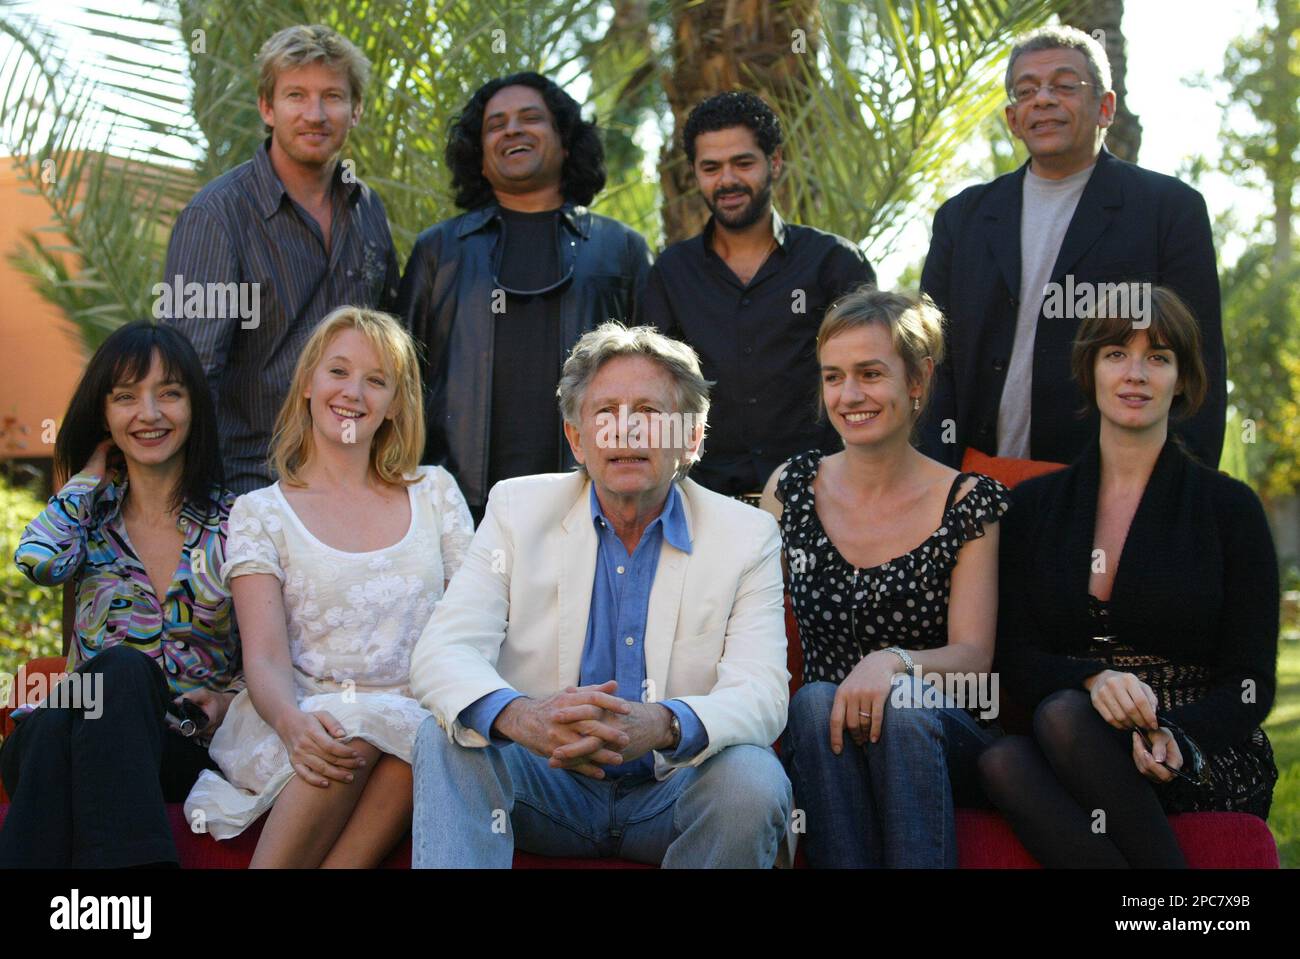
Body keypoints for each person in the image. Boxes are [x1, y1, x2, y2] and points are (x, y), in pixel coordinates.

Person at [408, 323, 792, 868]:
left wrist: (662, 723)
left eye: (649, 413)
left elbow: (763, 695)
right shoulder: (517, 509)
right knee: (447, 737)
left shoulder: (746, 535)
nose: (625, 431)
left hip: (672, 791)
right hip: (546, 785)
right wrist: (522, 717)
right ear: (577, 439)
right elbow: (442, 653)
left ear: (691, 438)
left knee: (751, 779)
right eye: (605, 412)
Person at [979, 286, 1278, 868]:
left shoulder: (1229, 508)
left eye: (1158, 357)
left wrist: (1176, 734)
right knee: (1003, 760)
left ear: (1183, 380)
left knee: (1060, 719)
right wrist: (1093, 679)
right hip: (1076, 740)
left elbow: (1251, 682)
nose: (1135, 373)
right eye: (1117, 354)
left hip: (1199, 744)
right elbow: (1013, 655)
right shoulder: (1036, 506)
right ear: (1089, 369)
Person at [184, 306, 474, 867]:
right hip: (299, 715)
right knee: (355, 730)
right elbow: (263, 657)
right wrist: (293, 726)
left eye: (376, 380)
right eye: (338, 371)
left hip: (419, 717)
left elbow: (472, 622)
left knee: (419, 741)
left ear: (394, 405)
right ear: (309, 385)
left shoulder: (434, 493)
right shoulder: (260, 513)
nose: (354, 392)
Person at [759, 288, 1010, 868]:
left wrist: (893, 663)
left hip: (938, 731)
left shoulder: (966, 501)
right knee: (818, 700)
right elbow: (745, 621)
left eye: (870, 373)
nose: (849, 396)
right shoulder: (790, 489)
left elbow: (973, 657)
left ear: (917, 379)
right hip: (827, 739)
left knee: (900, 703)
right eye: (833, 377)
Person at [918, 25, 1224, 469]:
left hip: (1103, 484)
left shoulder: (1168, 211)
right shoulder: (962, 218)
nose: (1043, 99)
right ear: (1012, 118)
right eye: (1026, 91)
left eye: (1064, 86)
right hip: (970, 480)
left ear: (1105, 107)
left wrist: (1182, 489)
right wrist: (931, 471)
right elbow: (931, 359)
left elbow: (1200, 364)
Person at [2, 321, 239, 868]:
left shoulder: (237, 525)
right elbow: (36, 561)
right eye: (126, 397)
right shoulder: (88, 520)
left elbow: (271, 656)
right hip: (71, 732)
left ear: (193, 408)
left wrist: (228, 701)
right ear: (104, 415)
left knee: (114, 681)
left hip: (174, 748)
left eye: (169, 393)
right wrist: (85, 480)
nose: (149, 413)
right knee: (106, 683)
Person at [397, 72, 653, 519]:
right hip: (457, 506)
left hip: (593, 500)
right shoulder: (439, 251)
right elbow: (399, 380)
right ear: (479, 156)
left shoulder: (620, 249)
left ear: (566, 142)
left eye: (530, 118)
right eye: (495, 125)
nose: (511, 129)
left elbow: (659, 381)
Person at [163, 24, 400, 495]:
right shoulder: (216, 216)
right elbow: (188, 375)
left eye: (332, 96)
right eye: (296, 95)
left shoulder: (368, 209)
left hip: (355, 483)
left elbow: (391, 349)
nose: (315, 114)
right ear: (267, 108)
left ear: (355, 111)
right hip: (249, 486)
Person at [647, 91, 876, 499]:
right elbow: (653, 389)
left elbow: (870, 377)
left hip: (825, 496)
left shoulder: (834, 264)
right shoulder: (671, 273)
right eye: (711, 167)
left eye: (743, 163)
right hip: (705, 502)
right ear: (695, 174)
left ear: (774, 162)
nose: (728, 180)